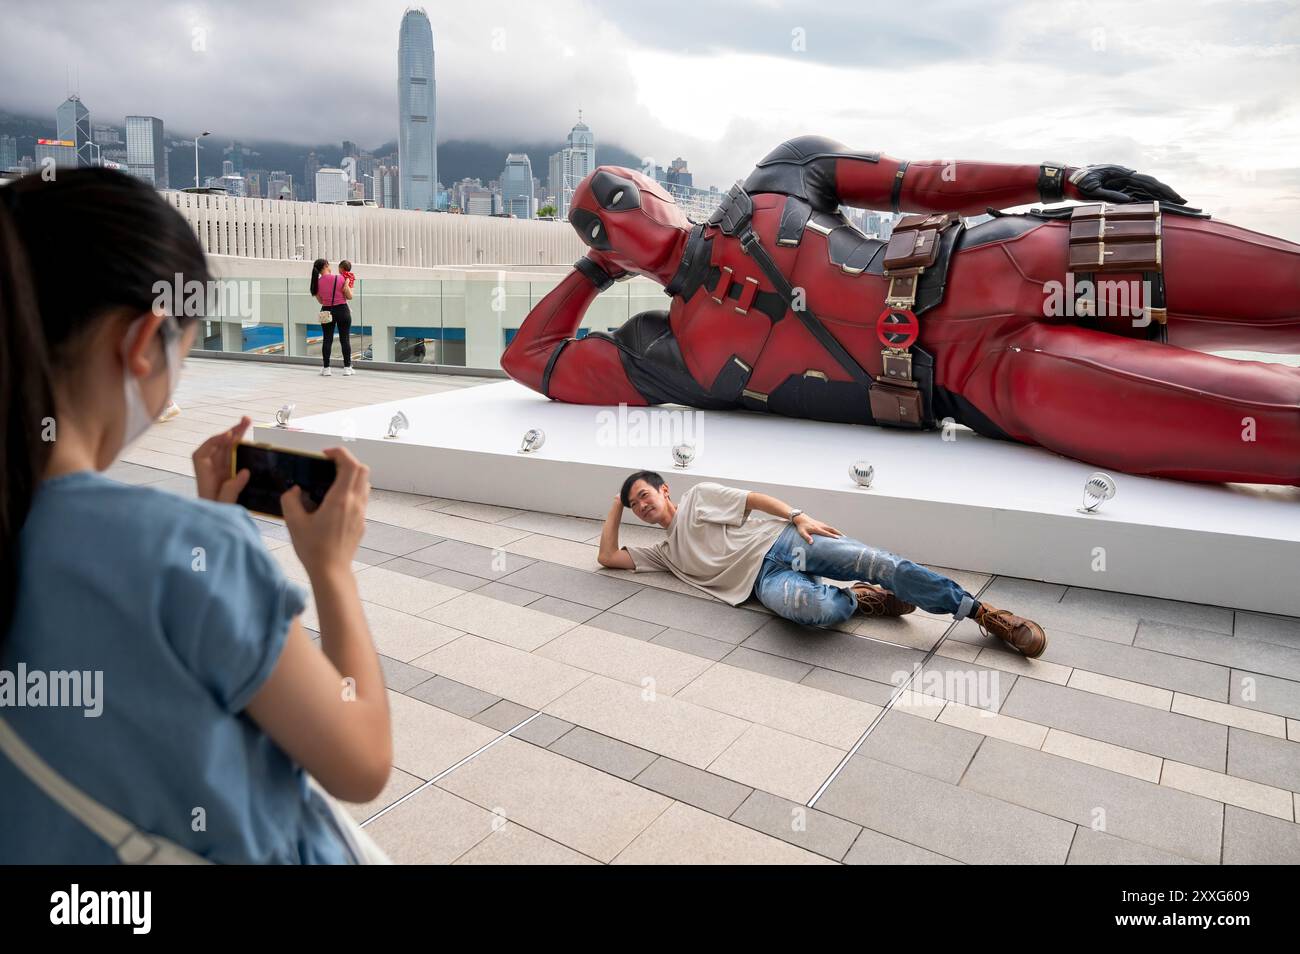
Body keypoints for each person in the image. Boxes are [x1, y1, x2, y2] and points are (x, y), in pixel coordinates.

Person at [501, 139, 1300, 487]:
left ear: (657, 186)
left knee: (1280, 288)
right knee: (1274, 424)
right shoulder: (665, 355)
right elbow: (529, 359)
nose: (613, 220)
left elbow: (919, 181)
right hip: (991, 382)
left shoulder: (782, 176)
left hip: (1006, 263)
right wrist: (589, 271)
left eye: (612, 194)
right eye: (595, 228)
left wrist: (1065, 175)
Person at [0, 168, 391, 863]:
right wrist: (330, 570)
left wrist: (209, 534)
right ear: (144, 342)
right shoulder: (173, 550)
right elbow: (360, 761)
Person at [597, 471, 1047, 657]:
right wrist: (614, 505)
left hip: (786, 540)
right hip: (764, 581)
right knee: (815, 612)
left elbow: (751, 499)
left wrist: (797, 516)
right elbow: (608, 558)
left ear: (665, 492)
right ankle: (863, 602)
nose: (642, 506)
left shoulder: (697, 497)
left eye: (644, 496)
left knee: (879, 562)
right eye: (634, 505)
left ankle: (981, 613)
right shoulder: (664, 554)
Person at [310, 257, 354, 376]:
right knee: (344, 339)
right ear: (326, 266)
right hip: (342, 310)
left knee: (327, 339)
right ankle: (347, 368)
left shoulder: (316, 282)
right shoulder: (340, 278)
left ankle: (326, 368)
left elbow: (321, 301)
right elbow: (349, 296)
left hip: (326, 311)